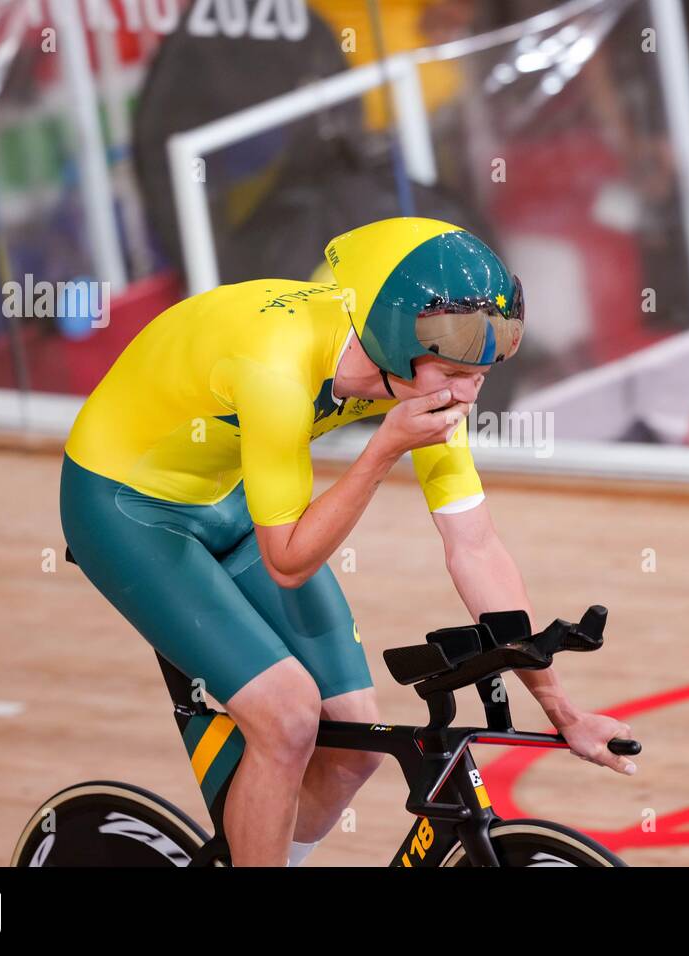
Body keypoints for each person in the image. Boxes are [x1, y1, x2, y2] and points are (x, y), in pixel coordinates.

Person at [59, 216, 636, 867]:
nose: (469, 394)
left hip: (233, 495)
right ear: (395, 342)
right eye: (454, 372)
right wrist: (383, 449)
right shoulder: (276, 365)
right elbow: (286, 562)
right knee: (288, 719)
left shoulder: (423, 372)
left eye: (484, 375)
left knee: (353, 748)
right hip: (126, 507)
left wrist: (564, 712)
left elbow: (474, 545)